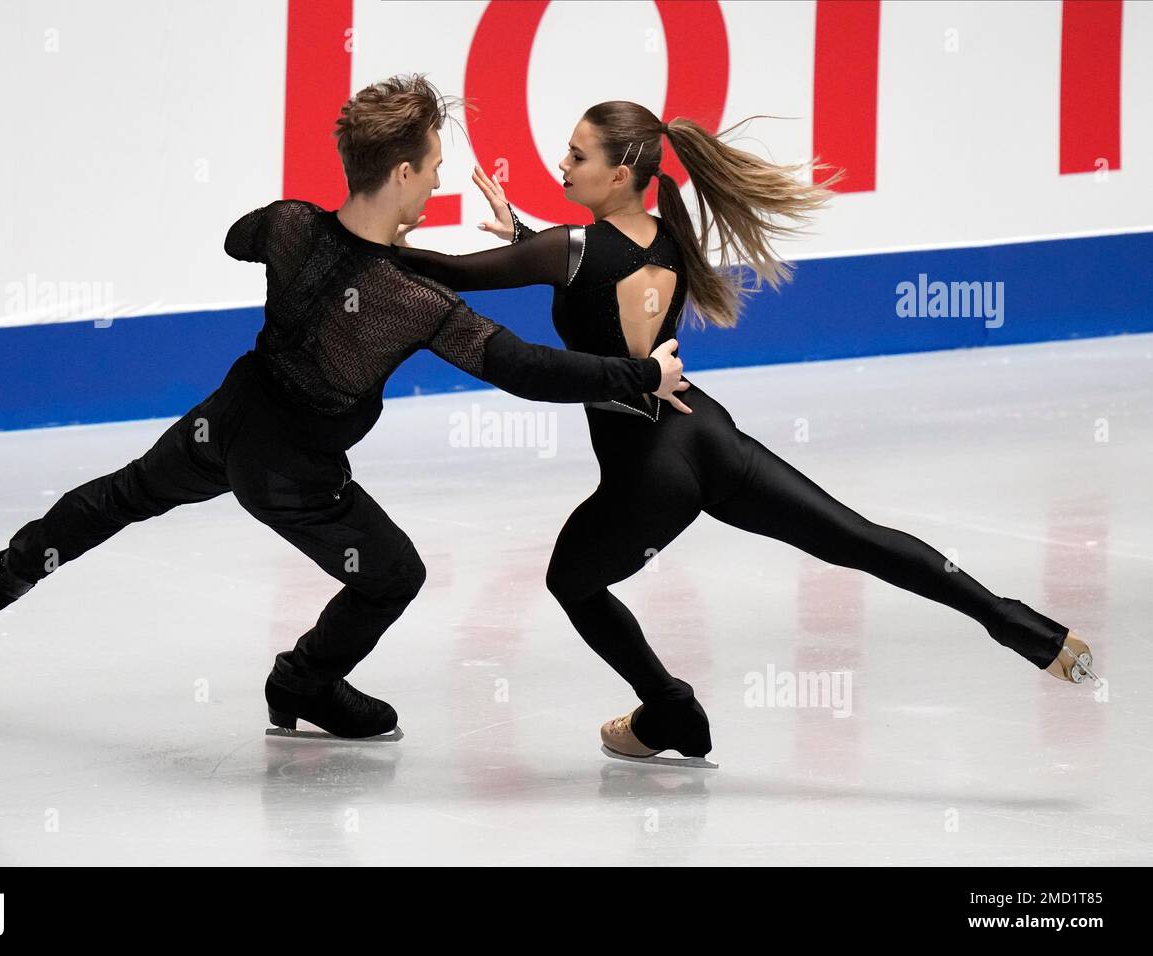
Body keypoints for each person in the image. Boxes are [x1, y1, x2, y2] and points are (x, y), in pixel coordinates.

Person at [0, 76, 690, 741]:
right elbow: (527, 370)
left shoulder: (291, 224)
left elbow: (237, 238)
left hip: (224, 422)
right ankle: (302, 684)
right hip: (294, 475)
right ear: (399, 171)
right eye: (431, 170)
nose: (434, 183)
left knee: (122, 496)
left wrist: (309, 240)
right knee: (393, 576)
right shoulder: (413, 302)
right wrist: (637, 375)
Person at [392, 101, 1101, 765]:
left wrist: (368, 240)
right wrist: (525, 237)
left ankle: (670, 708)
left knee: (570, 580)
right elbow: (601, 276)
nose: (561, 165)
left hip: (649, 475)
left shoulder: (566, 249)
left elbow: (452, 274)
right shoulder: (663, 236)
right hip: (708, 436)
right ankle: (1012, 620)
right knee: (854, 536)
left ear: (619, 174)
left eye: (576, 156)